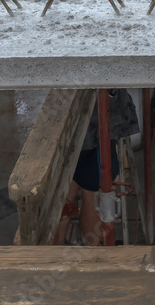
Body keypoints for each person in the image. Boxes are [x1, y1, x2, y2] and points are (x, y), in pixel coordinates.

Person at [55, 89, 139, 246]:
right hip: (91, 123)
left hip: (70, 116)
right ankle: (91, 251)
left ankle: (58, 246)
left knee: (68, 183)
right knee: (92, 191)